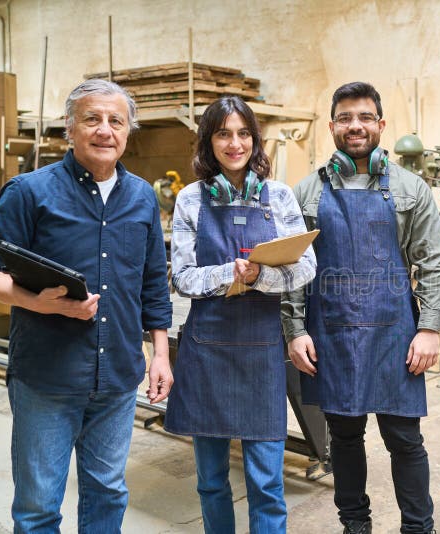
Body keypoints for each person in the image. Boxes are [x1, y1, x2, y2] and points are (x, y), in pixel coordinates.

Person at [0, 79, 173, 533]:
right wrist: (37, 303)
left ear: (127, 131)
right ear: (70, 128)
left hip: (117, 378)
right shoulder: (29, 192)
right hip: (47, 378)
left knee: (108, 494)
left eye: (115, 121)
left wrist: (160, 354)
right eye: (92, 119)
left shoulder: (141, 197)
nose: (104, 130)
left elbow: (154, 282)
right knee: (39, 506)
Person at [282, 81, 440, 534]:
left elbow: (433, 262)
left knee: (405, 439)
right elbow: (293, 270)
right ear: (333, 126)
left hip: (395, 335)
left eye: (365, 117)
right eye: (346, 118)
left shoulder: (410, 188)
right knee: (344, 438)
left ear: (381, 125)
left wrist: (429, 327)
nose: (355, 126)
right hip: (331, 335)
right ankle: (354, 524)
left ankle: (418, 527)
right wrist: (295, 330)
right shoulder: (306, 193)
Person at [163, 96, 316, 534]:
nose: (235, 144)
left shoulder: (279, 195)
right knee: (211, 482)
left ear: (255, 138)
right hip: (207, 350)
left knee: (267, 481)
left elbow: (306, 267)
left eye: (243, 133)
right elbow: (183, 278)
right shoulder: (191, 199)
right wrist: (228, 274)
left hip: (261, 351)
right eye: (223, 134)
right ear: (208, 141)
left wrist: (259, 278)